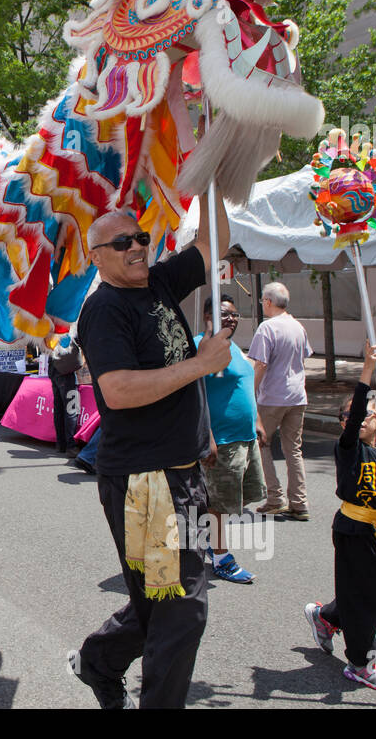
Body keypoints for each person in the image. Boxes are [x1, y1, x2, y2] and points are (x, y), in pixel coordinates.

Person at [73, 195, 231, 709]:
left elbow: (214, 246)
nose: (137, 247)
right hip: (145, 484)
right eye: (122, 243)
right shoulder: (103, 310)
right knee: (182, 607)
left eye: (141, 237)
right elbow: (116, 390)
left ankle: (99, 661)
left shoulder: (158, 280)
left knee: (157, 605)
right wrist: (199, 366)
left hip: (180, 474)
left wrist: (217, 183)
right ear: (96, 256)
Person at [305, 340, 376, 692]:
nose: (352, 420)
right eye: (346, 416)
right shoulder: (348, 448)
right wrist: (366, 369)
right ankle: (360, 663)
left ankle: (326, 616)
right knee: (365, 596)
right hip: (352, 529)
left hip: (372, 532)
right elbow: (352, 425)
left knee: (364, 593)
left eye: (362, 414)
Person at [194, 295, 266, 584]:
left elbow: (244, 383)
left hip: (243, 438)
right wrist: (206, 434)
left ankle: (210, 545)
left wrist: (257, 421)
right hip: (221, 440)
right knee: (220, 505)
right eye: (225, 314)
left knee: (228, 503)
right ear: (208, 315)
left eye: (235, 315)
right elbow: (194, 393)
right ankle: (222, 558)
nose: (232, 319)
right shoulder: (202, 346)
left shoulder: (233, 346)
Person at [250, 281, 314, 521]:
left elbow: (261, 364)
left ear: (267, 301)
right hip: (297, 395)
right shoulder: (298, 326)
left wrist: (251, 390)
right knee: (293, 449)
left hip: (273, 396)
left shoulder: (267, 328)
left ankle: (275, 497)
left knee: (262, 444)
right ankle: (299, 501)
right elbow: (304, 356)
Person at [50, 337, 82, 454]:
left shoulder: (50, 322)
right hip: (65, 369)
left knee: (59, 408)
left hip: (54, 366)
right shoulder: (67, 324)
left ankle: (61, 443)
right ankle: (71, 445)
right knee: (71, 409)